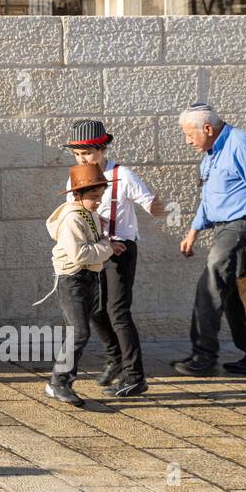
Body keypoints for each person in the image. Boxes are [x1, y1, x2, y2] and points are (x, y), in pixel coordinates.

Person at [174, 103, 246, 377]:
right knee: (233, 295)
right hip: (225, 229)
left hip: (242, 228)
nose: (187, 141)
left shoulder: (241, 144)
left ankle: (203, 357)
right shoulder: (212, 152)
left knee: (210, 285)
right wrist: (194, 230)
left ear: (208, 128)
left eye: (190, 134)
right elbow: (210, 196)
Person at [65, 119, 165, 398]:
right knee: (95, 310)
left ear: (103, 149)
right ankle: (116, 358)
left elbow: (148, 202)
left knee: (118, 311)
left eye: (88, 153)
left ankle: (135, 376)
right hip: (95, 249)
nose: (84, 159)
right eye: (78, 154)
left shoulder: (123, 175)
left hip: (121, 250)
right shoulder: (76, 176)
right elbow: (73, 210)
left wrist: (158, 207)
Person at [44, 163, 126, 406]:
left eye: (100, 196)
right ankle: (58, 383)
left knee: (77, 330)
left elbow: (97, 240)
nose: (98, 201)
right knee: (79, 332)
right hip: (72, 279)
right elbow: (80, 254)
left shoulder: (87, 213)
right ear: (77, 195)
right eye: (93, 197)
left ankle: (59, 382)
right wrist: (107, 248)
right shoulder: (72, 219)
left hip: (87, 277)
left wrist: (108, 245)